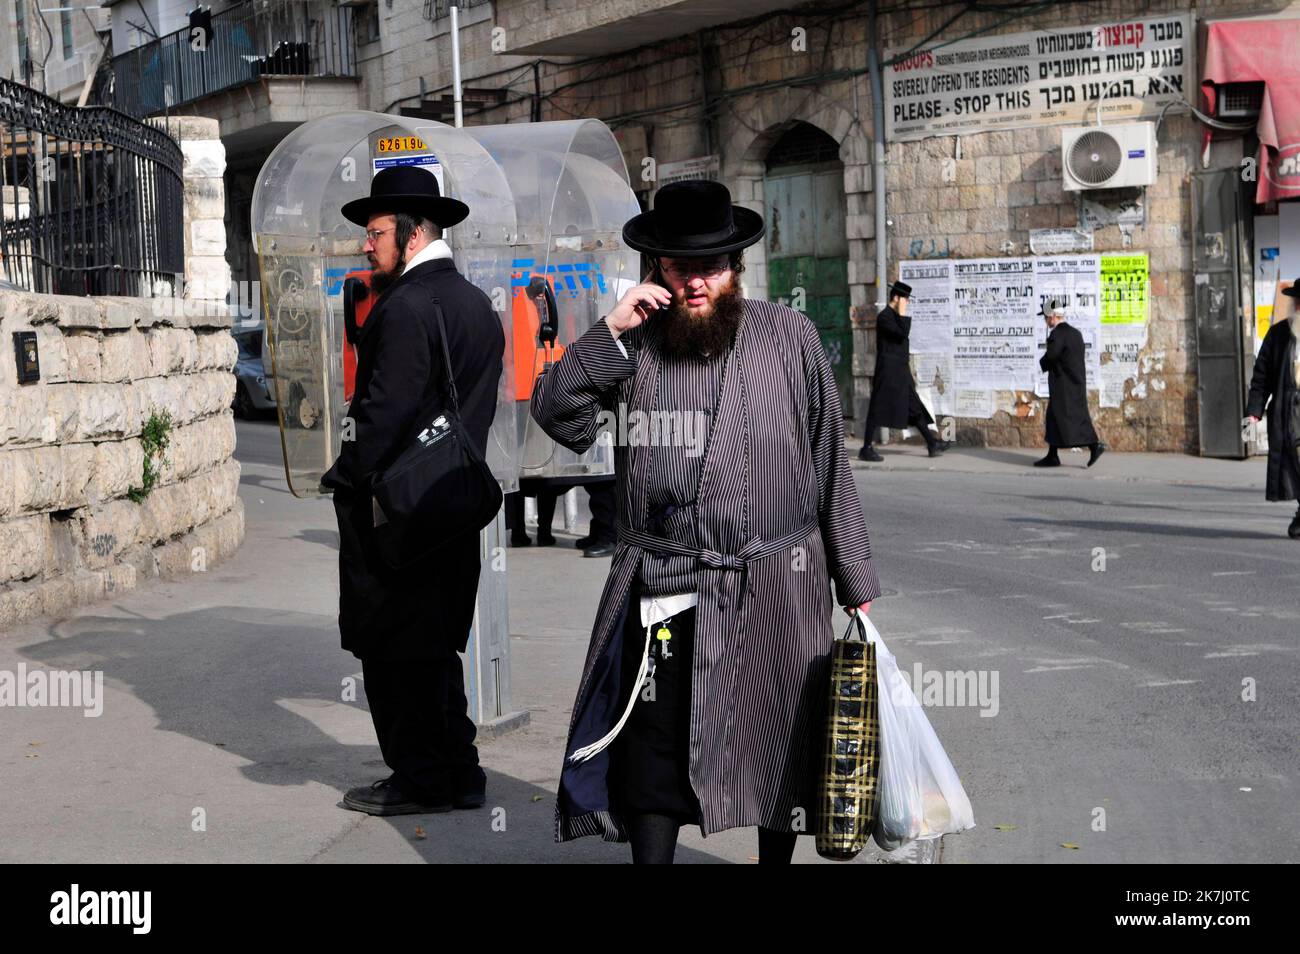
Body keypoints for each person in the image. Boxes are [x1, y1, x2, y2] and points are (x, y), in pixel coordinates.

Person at [531, 179, 881, 864]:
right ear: (658, 267)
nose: (695, 282)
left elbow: (829, 458)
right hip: (667, 583)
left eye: (710, 268)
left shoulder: (790, 335)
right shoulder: (636, 345)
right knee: (655, 747)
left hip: (780, 580)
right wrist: (608, 330)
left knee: (779, 739)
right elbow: (555, 413)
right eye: (679, 267)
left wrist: (854, 576)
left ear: (736, 265)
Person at [321, 166, 504, 815]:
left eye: (375, 233)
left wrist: (344, 478)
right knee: (432, 648)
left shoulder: (404, 308)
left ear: (414, 231)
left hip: (395, 517)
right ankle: (459, 771)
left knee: (393, 649)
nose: (366, 246)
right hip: (449, 506)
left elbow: (381, 418)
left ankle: (420, 778)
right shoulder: (473, 304)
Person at [858, 281, 949, 461]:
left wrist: (900, 314)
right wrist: (901, 312)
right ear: (897, 298)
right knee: (876, 409)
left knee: (914, 408)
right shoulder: (885, 317)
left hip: (901, 371)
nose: (907, 303)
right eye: (905, 299)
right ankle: (866, 448)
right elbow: (901, 334)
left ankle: (932, 443)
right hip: (888, 372)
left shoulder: (894, 316)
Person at [1246, 282, 1300, 538]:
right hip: (1287, 412)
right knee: (1292, 464)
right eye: (1298, 303)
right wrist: (1254, 410)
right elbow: (1262, 374)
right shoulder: (1279, 334)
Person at [1035, 298, 1105, 468]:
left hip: (1063, 386)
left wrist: (1042, 364)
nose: (1045, 321)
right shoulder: (1075, 333)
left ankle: (1094, 446)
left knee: (1074, 419)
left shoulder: (1057, 334)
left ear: (1053, 316)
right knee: (1055, 418)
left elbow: (1052, 356)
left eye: (1046, 317)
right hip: (1076, 383)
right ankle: (1052, 455)